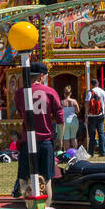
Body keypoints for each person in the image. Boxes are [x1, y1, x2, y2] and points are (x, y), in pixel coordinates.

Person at [12, 61, 64, 197]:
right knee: (46, 180)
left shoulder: (19, 93)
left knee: (24, 179)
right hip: (45, 141)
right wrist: (60, 138)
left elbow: (19, 112)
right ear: (41, 76)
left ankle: (30, 208)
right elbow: (60, 118)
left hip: (27, 141)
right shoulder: (51, 92)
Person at [84, 78, 105, 156]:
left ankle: (91, 152)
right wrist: (103, 113)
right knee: (101, 134)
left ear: (91, 84)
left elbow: (87, 105)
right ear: (98, 84)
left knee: (92, 135)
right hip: (100, 116)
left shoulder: (90, 93)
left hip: (91, 116)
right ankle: (102, 152)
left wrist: (86, 115)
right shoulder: (103, 92)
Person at [60, 86, 80, 152]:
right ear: (70, 93)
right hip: (73, 120)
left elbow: (59, 112)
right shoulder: (74, 101)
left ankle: (68, 155)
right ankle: (75, 153)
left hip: (65, 121)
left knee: (66, 139)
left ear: (64, 93)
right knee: (73, 138)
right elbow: (78, 111)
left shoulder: (62, 102)